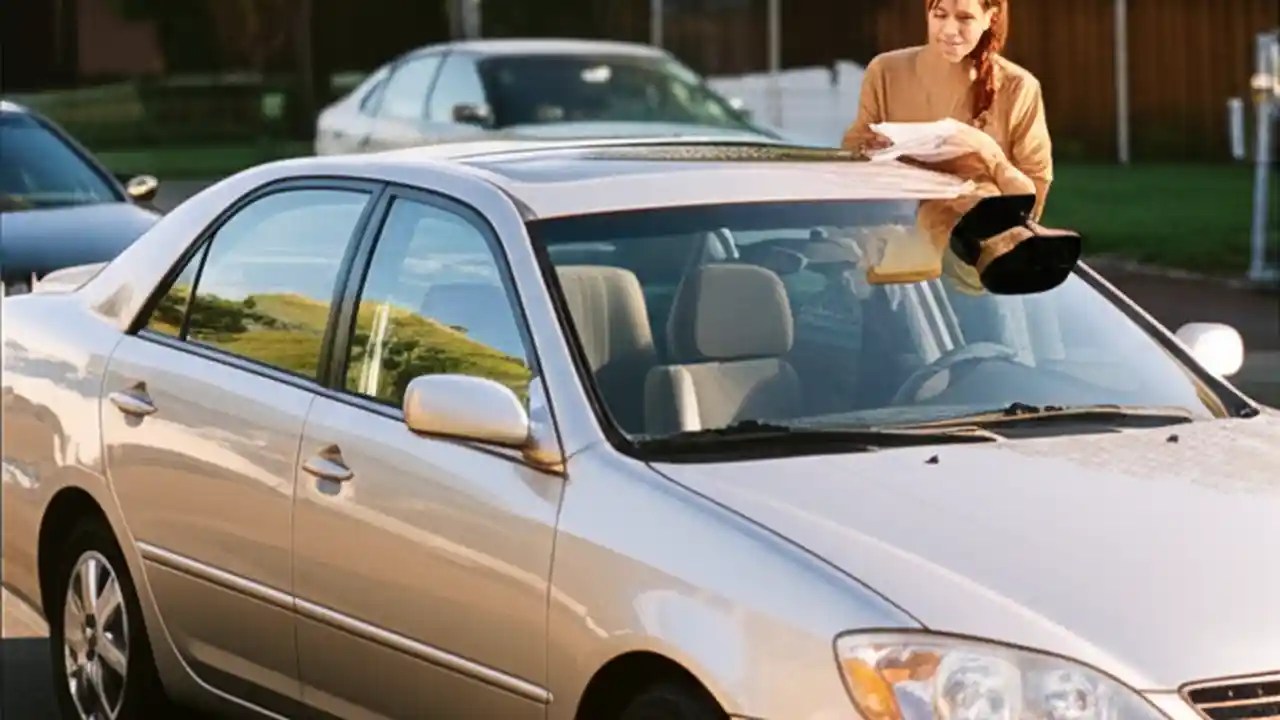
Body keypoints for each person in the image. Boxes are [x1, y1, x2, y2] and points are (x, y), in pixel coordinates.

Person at [842, 0, 1078, 296]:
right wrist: (869, 148)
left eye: (965, 18)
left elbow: (1034, 189)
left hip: (983, 270)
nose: (949, 30)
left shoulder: (1018, 87)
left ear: (990, 17)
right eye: (940, 15)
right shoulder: (885, 72)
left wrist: (986, 152)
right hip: (900, 261)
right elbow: (853, 156)